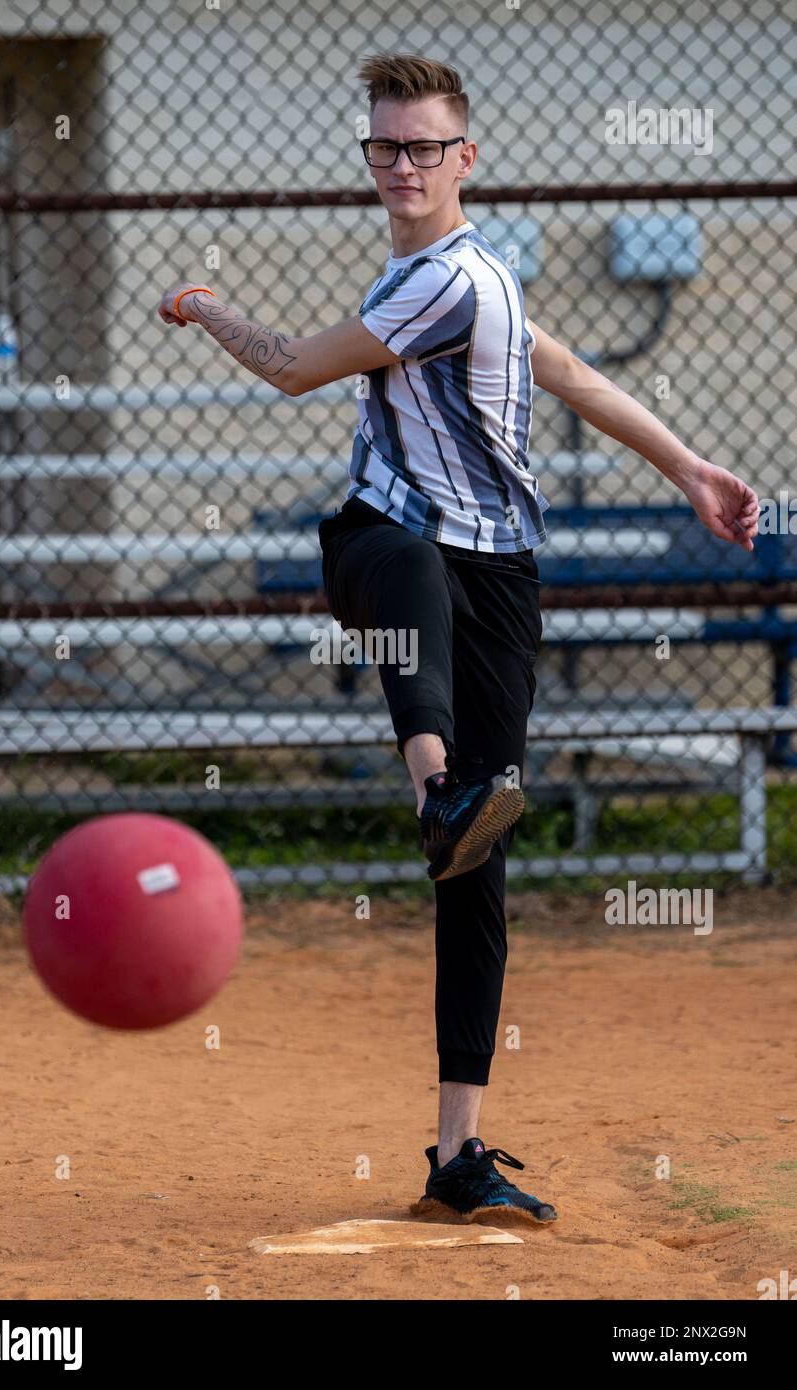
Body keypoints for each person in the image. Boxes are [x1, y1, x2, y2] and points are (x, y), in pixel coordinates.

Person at [158, 53, 760, 1225]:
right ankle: (437, 785)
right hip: (386, 551)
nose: (397, 165)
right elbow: (333, 377)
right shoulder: (452, 276)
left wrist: (197, 303)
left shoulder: (455, 279)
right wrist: (686, 464)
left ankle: (454, 1153)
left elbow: (552, 373)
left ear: (463, 159)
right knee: (406, 556)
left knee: (474, 871)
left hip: (501, 577)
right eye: (381, 145)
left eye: (420, 146)